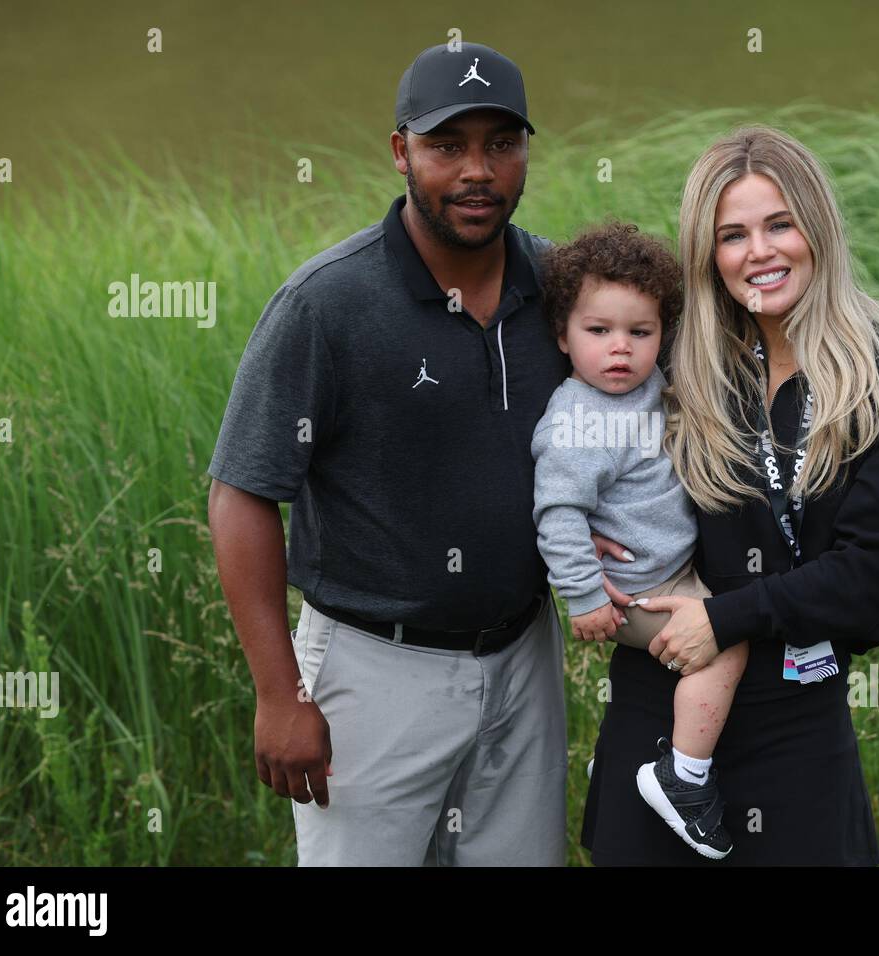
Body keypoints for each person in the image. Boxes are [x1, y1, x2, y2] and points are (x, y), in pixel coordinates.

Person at [206, 42, 573, 866]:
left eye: (502, 143)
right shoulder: (327, 304)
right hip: (373, 671)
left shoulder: (560, 286)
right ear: (401, 151)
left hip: (524, 657)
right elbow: (241, 494)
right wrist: (279, 694)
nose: (478, 170)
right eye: (447, 145)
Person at [580, 125, 879, 865]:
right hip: (659, 710)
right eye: (733, 235)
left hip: (795, 725)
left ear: (819, 229)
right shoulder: (673, 363)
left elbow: (869, 577)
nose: (759, 252)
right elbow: (566, 432)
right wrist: (582, 524)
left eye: (780, 224)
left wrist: (725, 619)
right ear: (708, 254)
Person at [530, 222, 748, 860]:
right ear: (563, 336)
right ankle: (682, 776)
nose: (620, 349)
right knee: (726, 643)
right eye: (598, 331)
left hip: (670, 569)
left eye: (640, 332)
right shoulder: (577, 419)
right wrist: (584, 597)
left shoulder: (651, 383)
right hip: (633, 592)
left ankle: (625, 759)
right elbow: (558, 514)